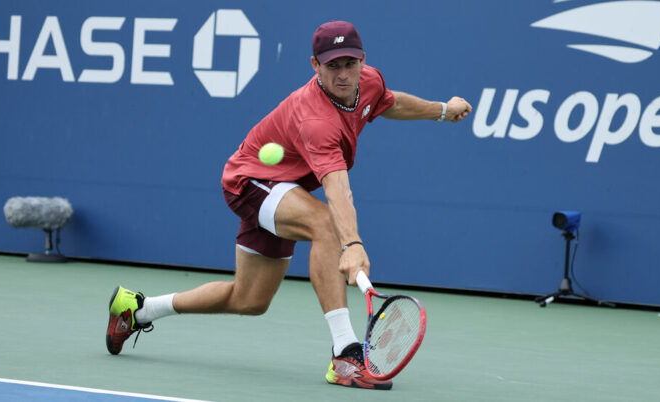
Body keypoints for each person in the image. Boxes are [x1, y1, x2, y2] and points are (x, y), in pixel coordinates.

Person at [106, 20, 472, 390]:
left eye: (350, 64)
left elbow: (388, 102)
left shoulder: (370, 82)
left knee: (249, 299)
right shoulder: (316, 119)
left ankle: (138, 309)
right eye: (332, 66)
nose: (343, 74)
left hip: (286, 188)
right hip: (249, 183)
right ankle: (345, 354)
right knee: (326, 225)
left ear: (363, 60)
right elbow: (337, 190)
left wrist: (442, 109)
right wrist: (352, 244)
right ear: (315, 65)